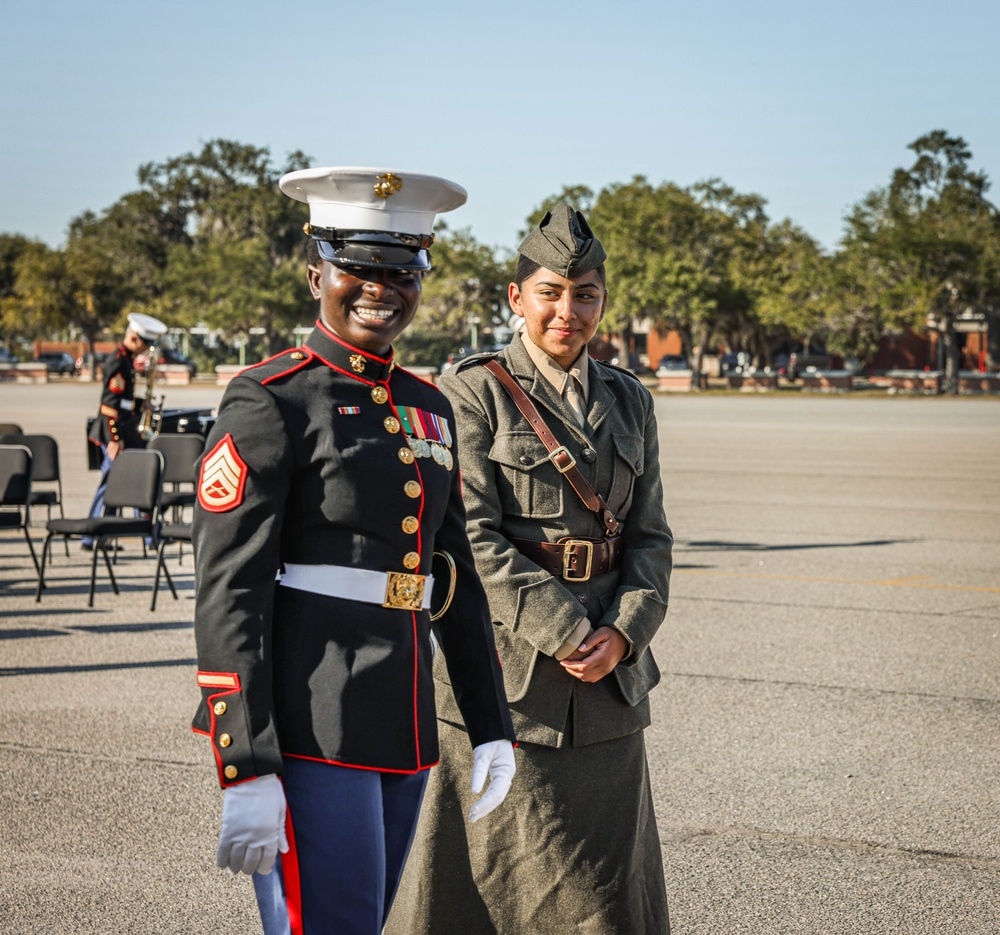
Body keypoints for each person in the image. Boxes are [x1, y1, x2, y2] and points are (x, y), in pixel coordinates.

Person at [191, 166, 516, 935]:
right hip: (307, 715)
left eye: (402, 270)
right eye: (360, 268)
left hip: (396, 715)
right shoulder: (271, 398)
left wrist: (490, 720)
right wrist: (246, 760)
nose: (382, 287)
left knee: (358, 923)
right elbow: (229, 591)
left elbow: (453, 580)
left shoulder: (427, 407)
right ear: (317, 274)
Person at [388, 205, 673, 934]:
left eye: (585, 295)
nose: (567, 311)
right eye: (550, 291)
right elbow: (472, 538)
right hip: (507, 680)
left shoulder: (630, 401)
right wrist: (569, 627)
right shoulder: (473, 392)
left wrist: (625, 633)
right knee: (482, 885)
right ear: (516, 297)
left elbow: (651, 537)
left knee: (607, 896)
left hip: (609, 689)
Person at [82, 312, 166, 549]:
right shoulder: (118, 362)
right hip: (112, 433)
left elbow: (123, 402)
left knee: (125, 481)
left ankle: (108, 533)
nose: (146, 350)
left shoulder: (125, 360)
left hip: (121, 429)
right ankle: (92, 533)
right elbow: (109, 406)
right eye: (145, 344)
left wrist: (141, 405)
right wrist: (115, 439)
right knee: (110, 483)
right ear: (135, 339)